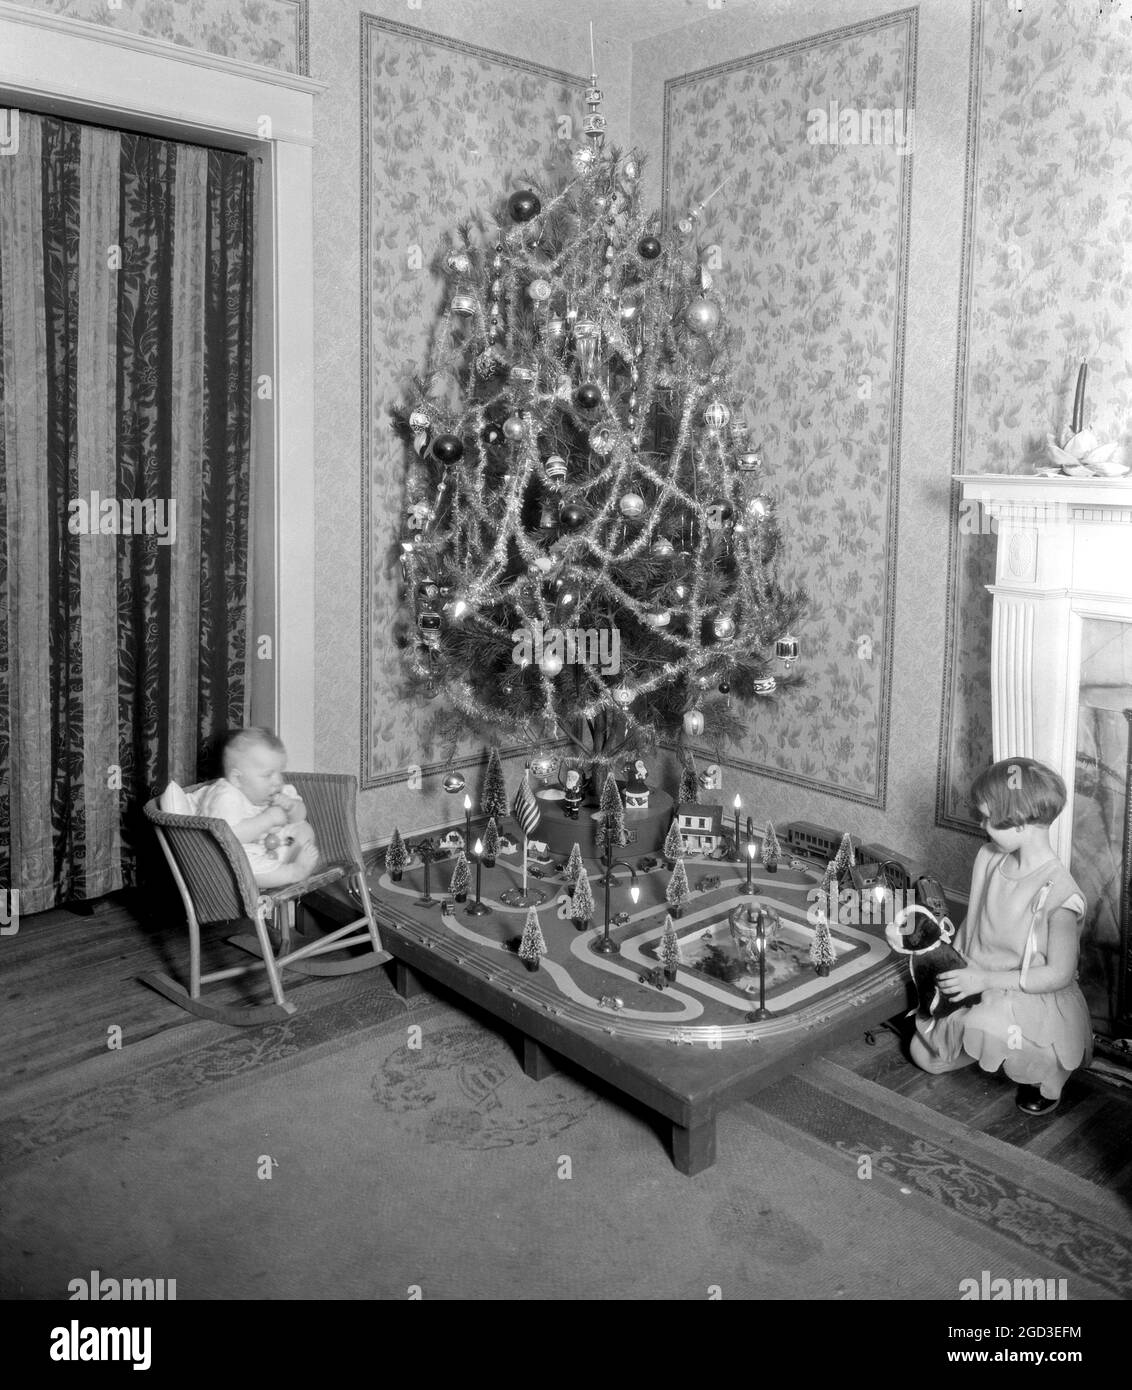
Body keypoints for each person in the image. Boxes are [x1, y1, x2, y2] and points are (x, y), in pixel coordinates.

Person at [909, 757, 1091, 1116]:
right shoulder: (990, 857)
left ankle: (1046, 1070)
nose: (981, 826)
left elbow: (1058, 975)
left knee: (983, 1024)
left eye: (987, 819)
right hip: (979, 976)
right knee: (922, 1056)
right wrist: (949, 960)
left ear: (1021, 823)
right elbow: (974, 922)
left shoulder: (1060, 895)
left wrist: (984, 980)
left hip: (1026, 992)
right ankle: (988, 1044)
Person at [195, 728, 321, 888]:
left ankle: (290, 860)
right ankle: (293, 872)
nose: (277, 781)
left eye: (279, 772)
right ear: (237, 779)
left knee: (304, 827)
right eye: (268, 775)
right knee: (243, 868)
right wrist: (268, 819)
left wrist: (291, 807)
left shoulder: (278, 791)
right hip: (242, 854)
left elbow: (300, 816)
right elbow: (230, 837)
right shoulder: (226, 796)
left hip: (277, 848)